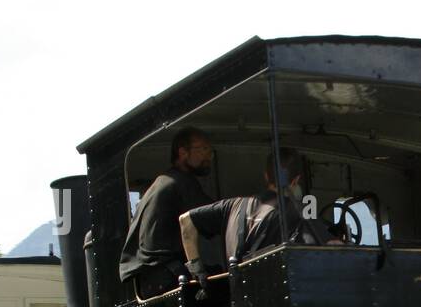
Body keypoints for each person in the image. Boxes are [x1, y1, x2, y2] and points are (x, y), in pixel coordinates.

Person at [179, 149, 331, 291]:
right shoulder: (299, 212)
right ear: (295, 180)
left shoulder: (232, 206)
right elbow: (331, 247)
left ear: (266, 175)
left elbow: (186, 220)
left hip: (238, 305)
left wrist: (197, 271)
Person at [119, 127, 215, 297]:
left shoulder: (164, 181)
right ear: (183, 152)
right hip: (164, 275)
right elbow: (214, 219)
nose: (209, 156)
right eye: (204, 149)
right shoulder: (180, 182)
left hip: (151, 276)